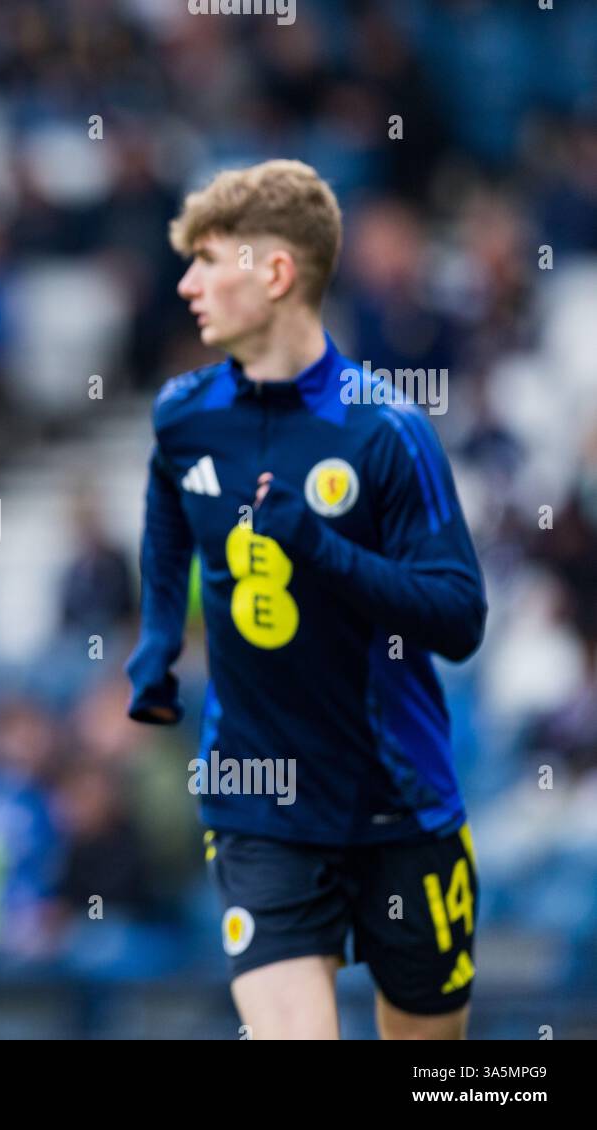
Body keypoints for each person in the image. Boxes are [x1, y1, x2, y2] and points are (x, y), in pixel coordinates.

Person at [126, 159, 487, 1039]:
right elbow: (168, 522)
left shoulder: (386, 430)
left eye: (208, 260)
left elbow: (459, 616)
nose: (187, 283)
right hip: (259, 803)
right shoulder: (183, 414)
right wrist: (158, 638)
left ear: (276, 273)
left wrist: (320, 549)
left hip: (397, 800)